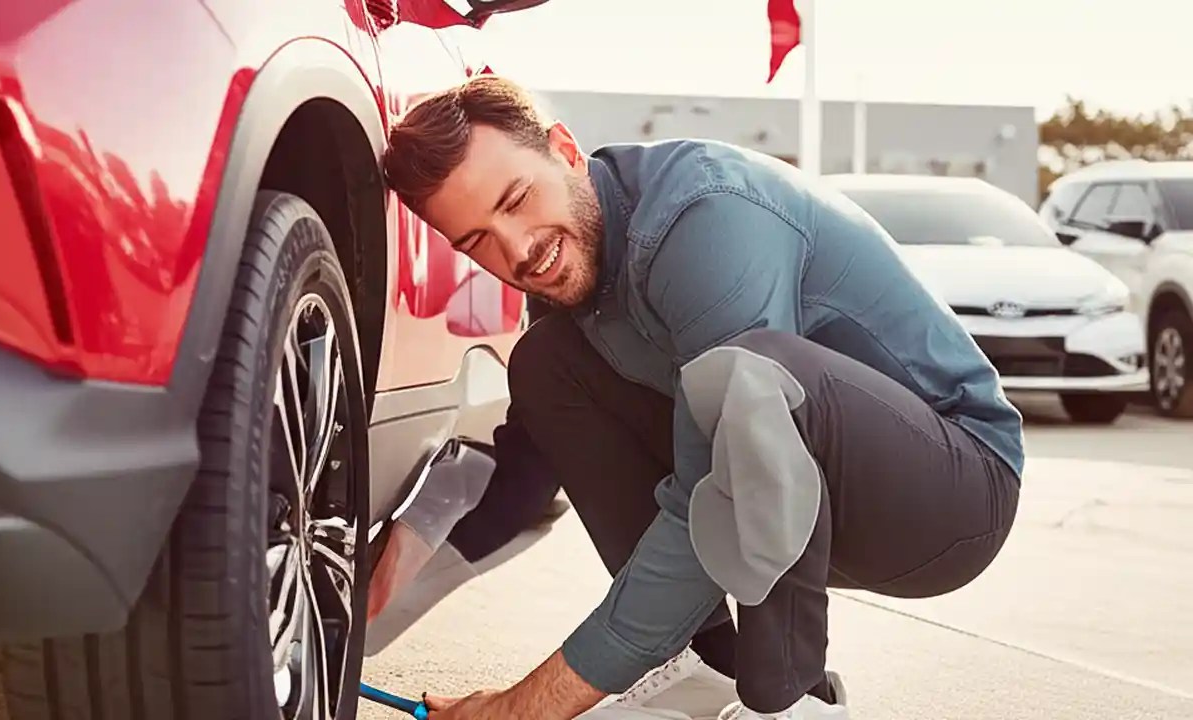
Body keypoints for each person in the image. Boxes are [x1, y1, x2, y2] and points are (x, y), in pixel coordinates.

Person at [378, 75, 1024, 720]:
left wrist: (529, 707)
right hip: (814, 494)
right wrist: (396, 550)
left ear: (565, 149)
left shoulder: (702, 217)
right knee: (544, 365)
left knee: (753, 384)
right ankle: (708, 666)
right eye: (477, 242)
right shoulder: (566, 264)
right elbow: (526, 466)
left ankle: (789, 701)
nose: (516, 249)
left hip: (953, 494)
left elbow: (718, 486)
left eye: (516, 200)